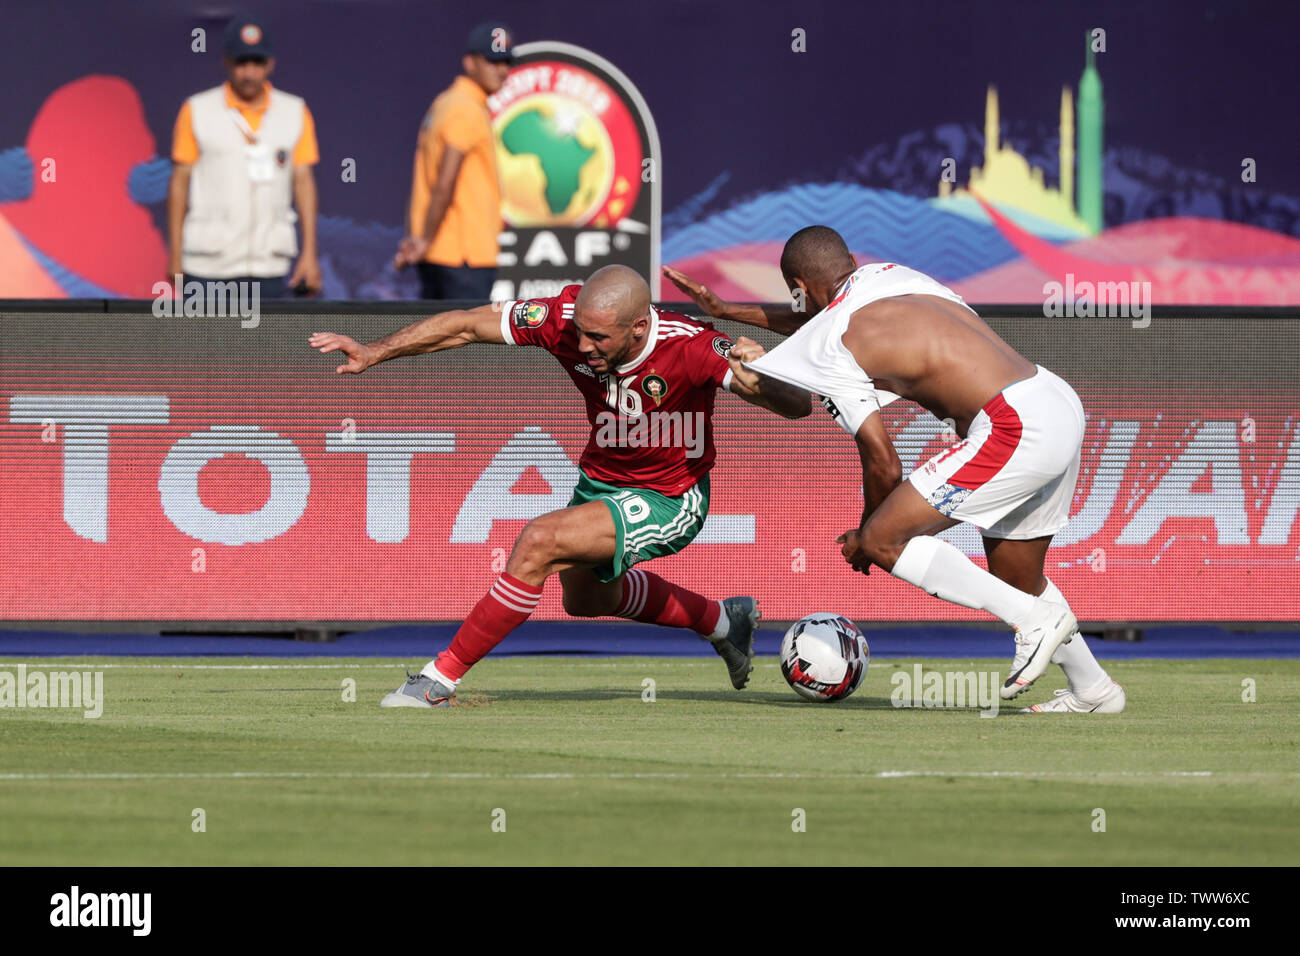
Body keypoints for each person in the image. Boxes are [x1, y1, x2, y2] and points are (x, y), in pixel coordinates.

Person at [666, 228, 1125, 714]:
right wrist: (726, 311)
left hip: (1013, 427)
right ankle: (1094, 690)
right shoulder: (888, 276)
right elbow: (815, 319)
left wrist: (869, 536)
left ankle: (1034, 622)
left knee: (888, 540)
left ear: (797, 285)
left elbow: (882, 457)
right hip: (1054, 398)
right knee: (1017, 576)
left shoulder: (831, 346)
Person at [309, 265, 812, 707]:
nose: (584, 346)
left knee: (539, 541)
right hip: (600, 482)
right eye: (580, 334)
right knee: (587, 601)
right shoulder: (563, 317)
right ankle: (725, 621)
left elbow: (798, 405)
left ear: (639, 328)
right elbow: (464, 327)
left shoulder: (692, 346)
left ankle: (436, 681)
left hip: (670, 497)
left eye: (599, 339)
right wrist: (376, 351)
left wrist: (762, 375)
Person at [167, 16, 321, 298]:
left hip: (269, 262)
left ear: (270, 64)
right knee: (204, 343)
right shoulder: (198, 109)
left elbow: (303, 181)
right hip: (208, 264)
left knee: (266, 343)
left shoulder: (294, 111)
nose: (249, 72)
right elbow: (179, 183)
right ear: (227, 62)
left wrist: (310, 254)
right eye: (241, 62)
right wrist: (175, 255)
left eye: (257, 62)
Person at [394, 22, 513, 300]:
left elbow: (425, 179)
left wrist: (418, 238)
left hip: (443, 253)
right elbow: (445, 181)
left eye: (506, 61)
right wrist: (424, 239)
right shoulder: (466, 109)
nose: (502, 69)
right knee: (467, 342)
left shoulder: (445, 102)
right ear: (469, 63)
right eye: (492, 61)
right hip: (463, 257)